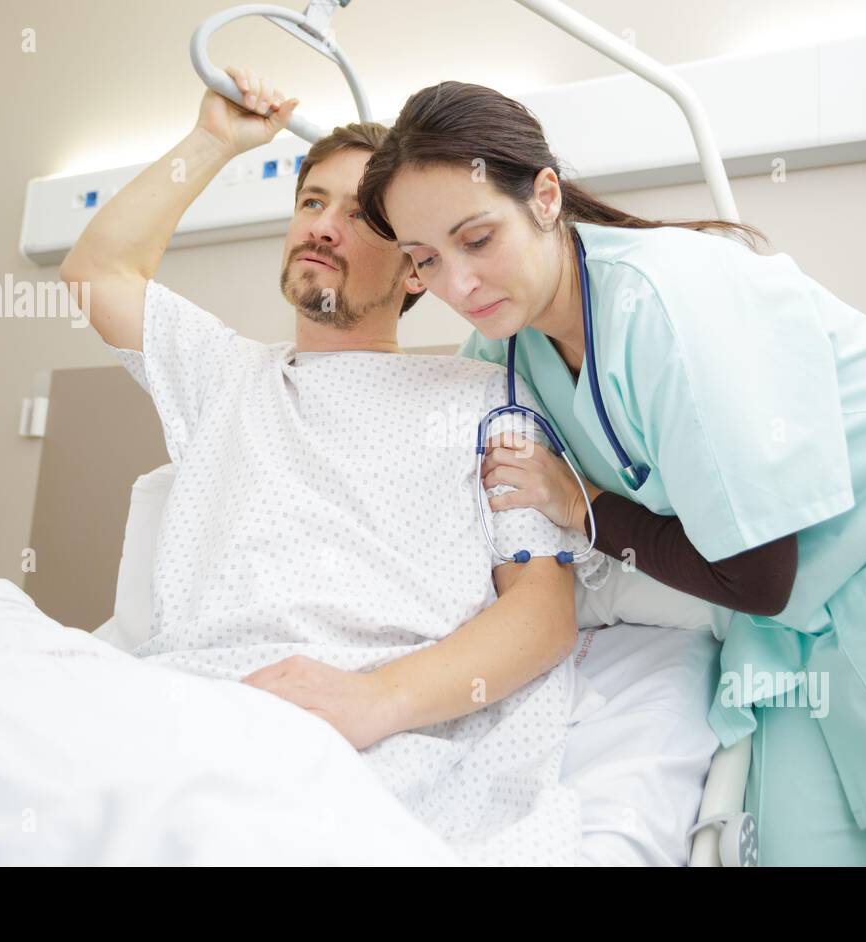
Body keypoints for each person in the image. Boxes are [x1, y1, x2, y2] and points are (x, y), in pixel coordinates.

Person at [353, 80, 866, 865]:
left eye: (477, 240)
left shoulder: (668, 299)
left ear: (545, 197)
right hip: (801, 638)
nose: (458, 285)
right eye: (425, 261)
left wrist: (585, 505)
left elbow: (759, 573)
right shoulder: (507, 351)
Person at [60, 68, 716, 865]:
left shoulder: (487, 402)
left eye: (357, 218)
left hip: (380, 731)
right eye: (311, 204)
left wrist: (374, 701)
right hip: (191, 705)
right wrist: (213, 141)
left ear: (415, 266)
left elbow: (542, 616)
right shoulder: (222, 376)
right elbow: (97, 275)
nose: (324, 228)